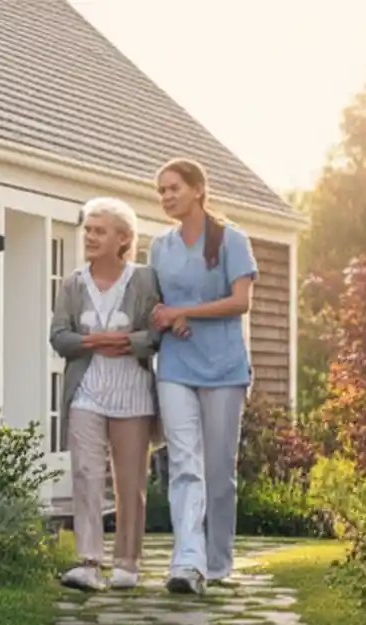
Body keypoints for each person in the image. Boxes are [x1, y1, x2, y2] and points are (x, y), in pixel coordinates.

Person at [147, 158, 257, 595]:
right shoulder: (160, 247)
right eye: (161, 191)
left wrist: (184, 311)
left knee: (218, 471)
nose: (166, 197)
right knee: (183, 465)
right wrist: (168, 319)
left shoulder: (233, 240)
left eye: (173, 188)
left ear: (197, 190)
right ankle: (186, 562)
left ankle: (217, 562)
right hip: (175, 365)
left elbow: (240, 302)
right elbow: (157, 305)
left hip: (224, 369)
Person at [49, 197, 161, 591]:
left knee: (130, 481)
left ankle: (127, 564)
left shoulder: (145, 280)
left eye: (100, 231)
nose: (91, 237)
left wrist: (127, 341)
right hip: (87, 393)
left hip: (133, 394)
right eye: (88, 230)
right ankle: (88, 562)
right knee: (86, 474)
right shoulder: (73, 284)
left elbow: (157, 333)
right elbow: (59, 337)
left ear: (123, 239)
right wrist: (94, 341)